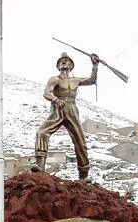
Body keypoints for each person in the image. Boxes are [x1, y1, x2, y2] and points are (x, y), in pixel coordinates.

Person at [33, 52, 100, 180]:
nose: (64, 62)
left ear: (71, 66)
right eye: (61, 61)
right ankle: (40, 166)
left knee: (80, 142)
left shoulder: (76, 81)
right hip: (58, 109)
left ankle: (83, 176)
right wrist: (55, 99)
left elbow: (92, 80)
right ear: (58, 66)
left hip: (72, 110)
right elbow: (46, 93)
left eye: (66, 60)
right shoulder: (55, 79)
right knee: (42, 132)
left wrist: (95, 66)